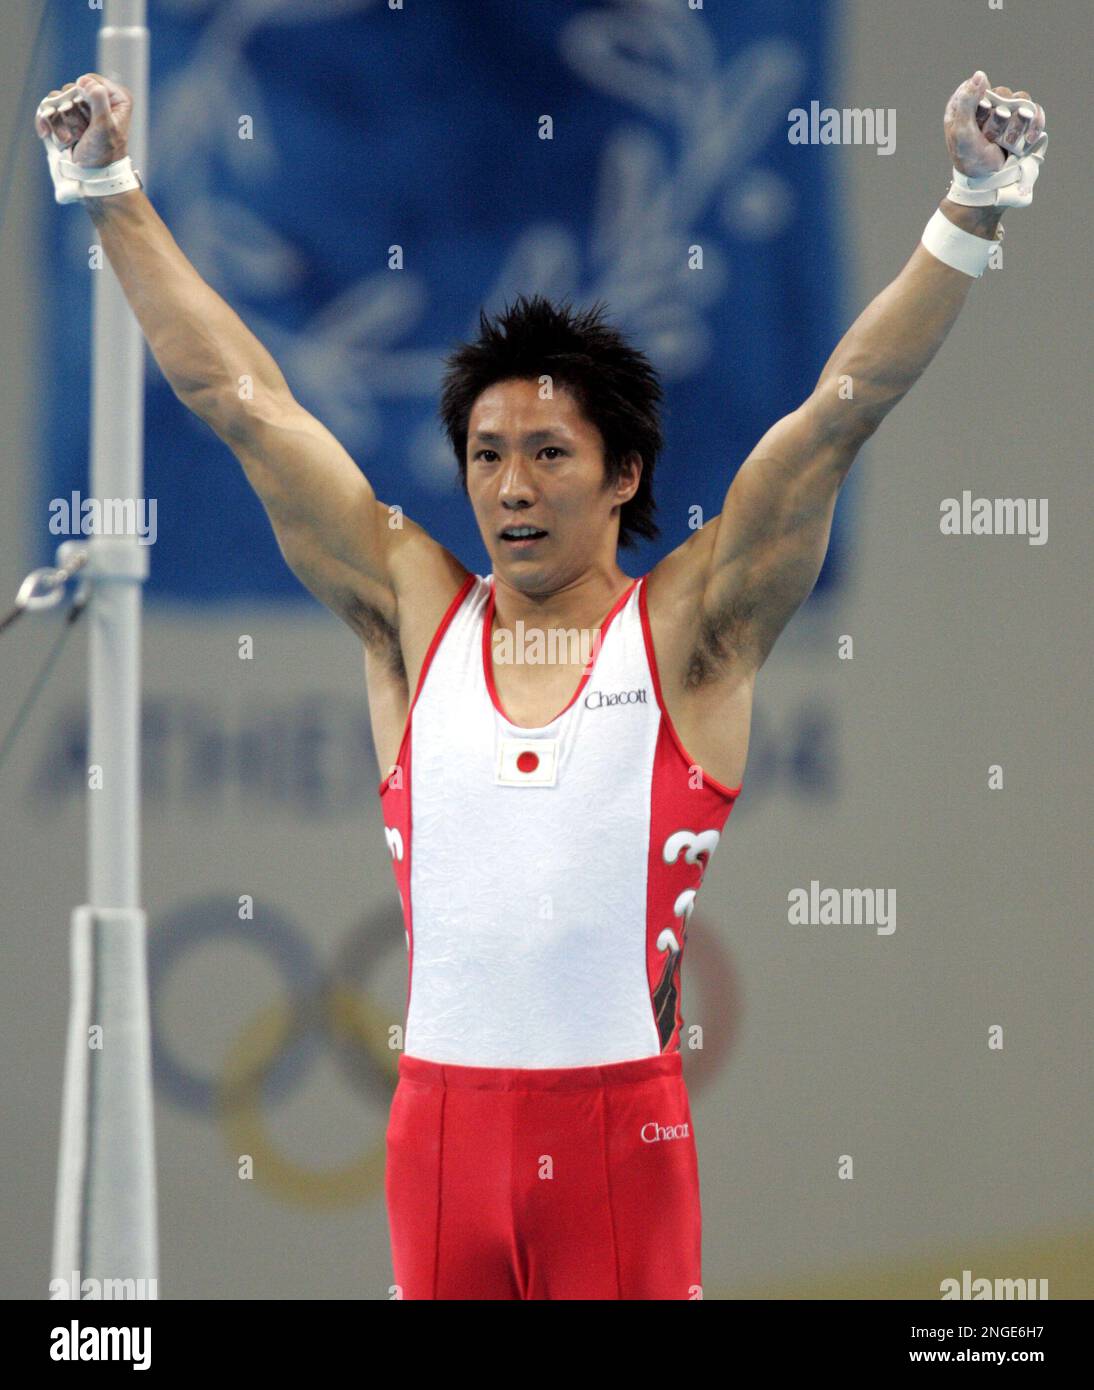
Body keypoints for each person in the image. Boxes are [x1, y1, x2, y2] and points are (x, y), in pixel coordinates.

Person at [36, 68, 1047, 1300]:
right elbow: (242, 404)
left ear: (622, 473)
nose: (510, 487)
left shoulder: (689, 632)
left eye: (549, 455)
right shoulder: (414, 615)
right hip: (437, 1143)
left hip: (619, 1147)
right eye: (486, 456)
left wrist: (970, 204)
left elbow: (838, 417)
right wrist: (107, 187)